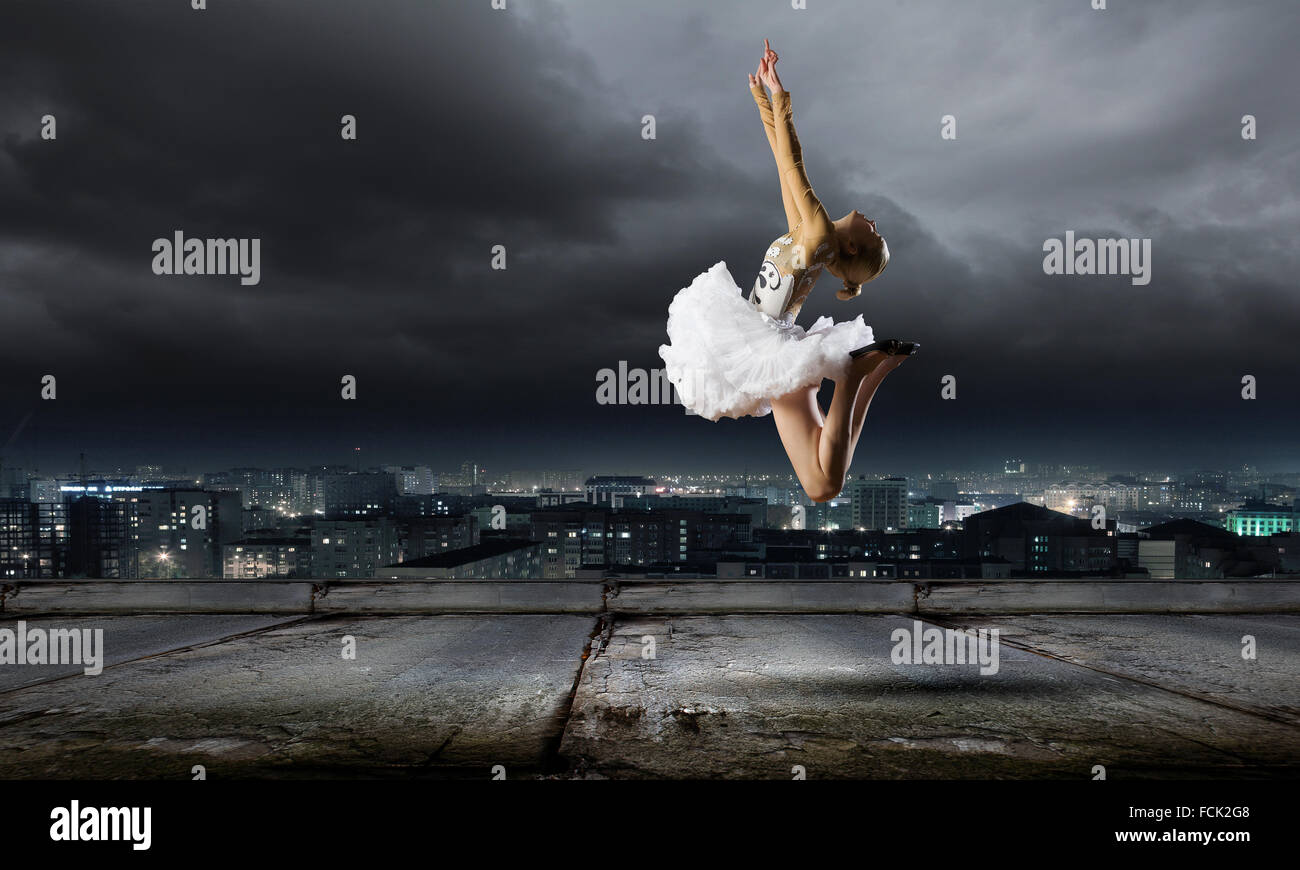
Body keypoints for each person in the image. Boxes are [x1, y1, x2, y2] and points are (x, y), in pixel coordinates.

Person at [658, 39, 917, 503]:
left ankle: (860, 375)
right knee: (824, 484)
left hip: (765, 342)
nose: (875, 222)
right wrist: (763, 98)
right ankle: (868, 375)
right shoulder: (808, 237)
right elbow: (782, 164)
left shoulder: (816, 236)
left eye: (875, 234)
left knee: (822, 487)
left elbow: (793, 162)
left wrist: (778, 97)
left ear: (853, 244)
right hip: (771, 340)